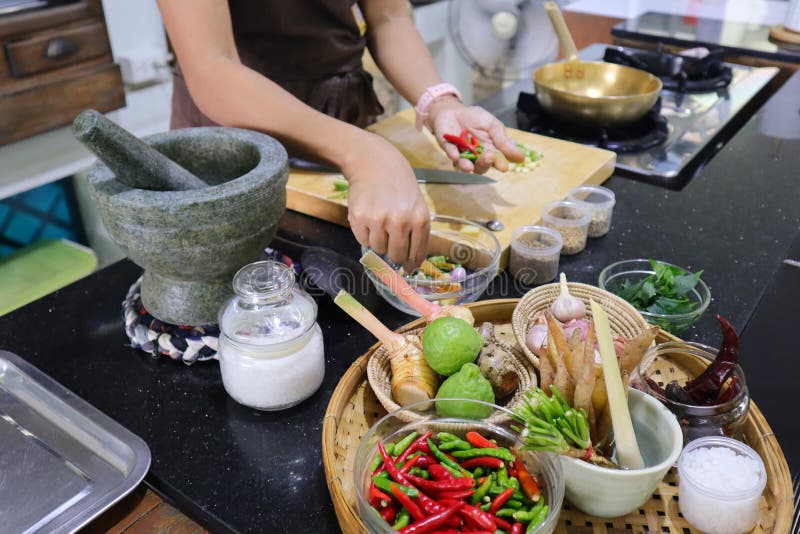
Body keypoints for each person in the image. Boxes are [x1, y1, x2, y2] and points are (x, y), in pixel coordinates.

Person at [157, 0, 524, 270]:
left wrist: (439, 102)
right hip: (236, 144)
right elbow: (212, 68)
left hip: (341, 119)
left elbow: (389, 17)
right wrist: (364, 154)